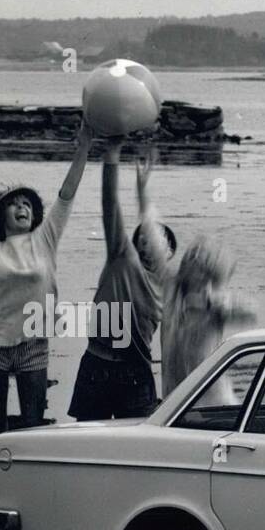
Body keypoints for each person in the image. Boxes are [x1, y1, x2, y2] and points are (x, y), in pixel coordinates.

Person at [0, 121, 93, 439]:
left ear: (33, 215)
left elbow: (66, 195)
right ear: (2, 217)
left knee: (33, 432)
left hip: (33, 347)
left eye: (26, 204)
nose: (21, 207)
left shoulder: (46, 238)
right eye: (12, 204)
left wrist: (84, 147)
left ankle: (29, 489)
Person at [68, 142, 177, 420]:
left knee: (135, 448)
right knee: (87, 444)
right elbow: (110, 204)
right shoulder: (122, 258)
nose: (147, 243)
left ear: (169, 252)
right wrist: (111, 156)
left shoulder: (168, 285)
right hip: (98, 365)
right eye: (141, 239)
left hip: (136, 372)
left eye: (154, 240)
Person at [160, 235, 256, 398]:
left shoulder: (216, 301)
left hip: (210, 398)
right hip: (174, 397)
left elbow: (250, 313)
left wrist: (211, 303)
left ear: (210, 273)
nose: (191, 265)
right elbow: (156, 265)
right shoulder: (173, 293)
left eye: (199, 264)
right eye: (191, 259)